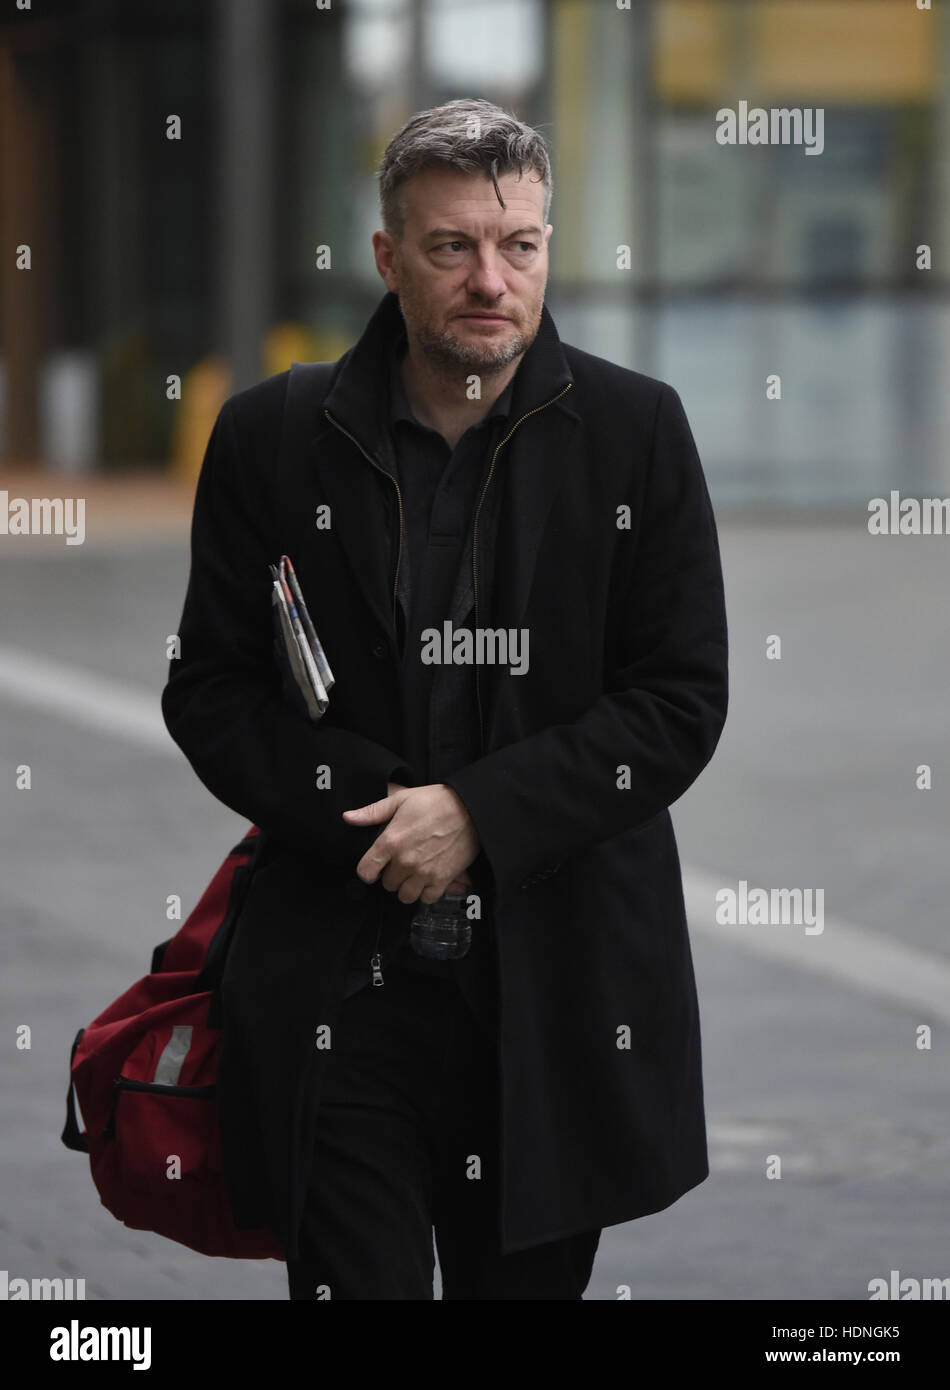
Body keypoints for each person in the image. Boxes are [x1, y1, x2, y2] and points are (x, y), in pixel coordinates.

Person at [161, 97, 729, 1300]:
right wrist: (375, 811)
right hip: (337, 991)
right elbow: (209, 688)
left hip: (556, 998)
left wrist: (477, 813)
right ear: (384, 257)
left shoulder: (635, 433)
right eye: (450, 246)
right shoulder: (270, 437)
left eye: (518, 243)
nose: (491, 277)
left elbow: (678, 699)